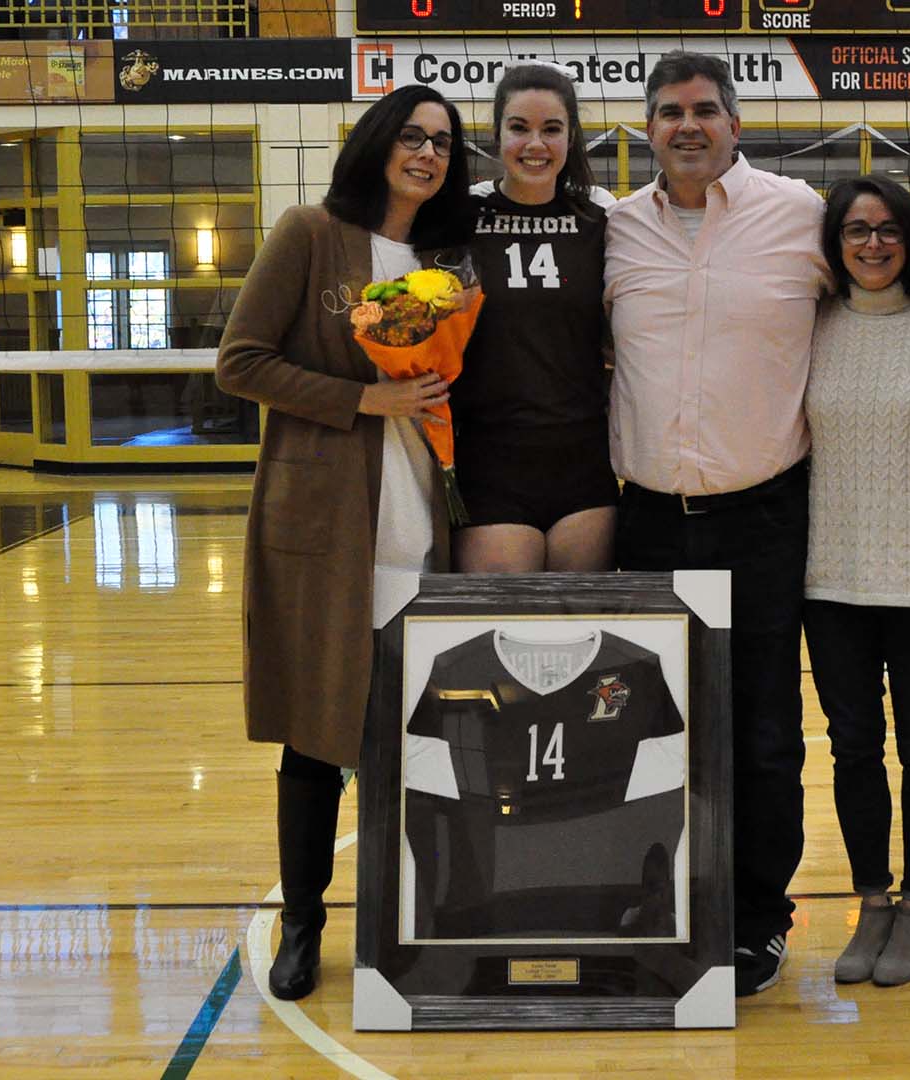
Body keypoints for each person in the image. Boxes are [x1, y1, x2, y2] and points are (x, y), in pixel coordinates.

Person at [215, 85, 471, 1001]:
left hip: (424, 525)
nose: (428, 153)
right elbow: (239, 361)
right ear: (376, 142)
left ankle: (415, 918)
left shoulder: (450, 262)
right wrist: (365, 398)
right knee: (318, 739)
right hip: (326, 527)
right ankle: (303, 925)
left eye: (443, 142)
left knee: (424, 742)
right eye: (412, 136)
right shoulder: (311, 233)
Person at [604, 50, 829, 997]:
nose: (686, 125)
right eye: (668, 112)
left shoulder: (801, 215)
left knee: (764, 730)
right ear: (647, 130)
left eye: (704, 110)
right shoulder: (614, 228)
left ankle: (758, 918)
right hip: (647, 521)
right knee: (649, 729)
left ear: (736, 124)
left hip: (763, 517)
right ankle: (661, 896)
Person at [803, 175, 910, 989]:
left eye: (889, 229)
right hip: (831, 576)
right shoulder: (811, 325)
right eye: (856, 230)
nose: (873, 244)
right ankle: (872, 899)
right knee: (852, 748)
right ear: (835, 243)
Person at [454, 64, 619, 572]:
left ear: (571, 137)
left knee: (578, 619)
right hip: (489, 460)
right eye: (519, 127)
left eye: (551, 129)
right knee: (505, 616)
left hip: (583, 459)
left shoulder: (602, 219)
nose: (535, 144)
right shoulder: (460, 217)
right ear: (497, 134)